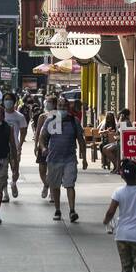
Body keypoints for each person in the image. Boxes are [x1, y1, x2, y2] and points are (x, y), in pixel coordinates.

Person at [46, 93, 87, 223]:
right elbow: (42, 137)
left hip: (69, 158)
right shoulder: (51, 120)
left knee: (70, 185)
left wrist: (84, 158)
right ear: (56, 106)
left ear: (68, 107)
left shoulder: (74, 121)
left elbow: (81, 140)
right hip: (54, 158)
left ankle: (72, 210)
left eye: (64, 106)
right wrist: (42, 147)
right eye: (60, 106)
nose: (62, 108)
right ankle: (57, 210)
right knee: (55, 186)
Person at [1, 92, 27, 201]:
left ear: (14, 101)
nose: (8, 102)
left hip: (14, 147)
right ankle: (5, 193)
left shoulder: (19, 117)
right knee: (2, 171)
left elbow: (23, 132)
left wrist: (19, 146)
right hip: (1, 147)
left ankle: (13, 183)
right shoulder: (0, 115)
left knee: (15, 169)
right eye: (6, 99)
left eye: (10, 99)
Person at [34, 93, 57, 198]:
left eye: (50, 102)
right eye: (47, 102)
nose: (47, 104)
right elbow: (38, 132)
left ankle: (52, 192)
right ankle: (46, 184)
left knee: (52, 169)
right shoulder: (42, 117)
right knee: (42, 169)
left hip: (54, 146)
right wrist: (36, 145)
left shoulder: (59, 116)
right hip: (43, 145)